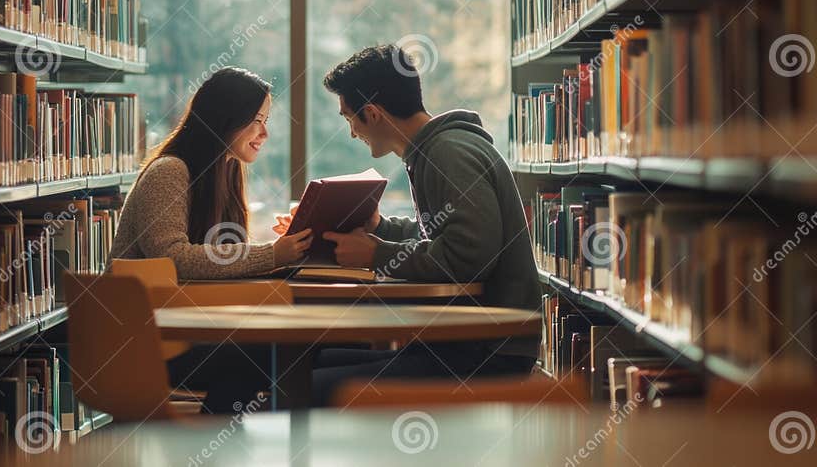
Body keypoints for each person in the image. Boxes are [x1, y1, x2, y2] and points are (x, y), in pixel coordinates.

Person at [290, 44, 542, 405]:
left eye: (349, 119)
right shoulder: (434, 150)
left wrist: (377, 254)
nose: (351, 133)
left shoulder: (447, 153)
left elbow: (468, 256)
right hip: (463, 341)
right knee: (309, 361)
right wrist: (381, 229)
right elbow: (443, 235)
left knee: (309, 385)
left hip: (486, 352)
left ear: (373, 113)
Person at [108, 66, 312, 413]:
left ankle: (215, 444)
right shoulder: (170, 171)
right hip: (150, 341)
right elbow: (174, 258)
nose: (265, 133)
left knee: (277, 354)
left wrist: (287, 246)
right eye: (257, 120)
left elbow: (219, 260)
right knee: (278, 353)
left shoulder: (225, 172)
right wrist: (270, 255)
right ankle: (218, 442)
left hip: (192, 329)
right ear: (226, 118)